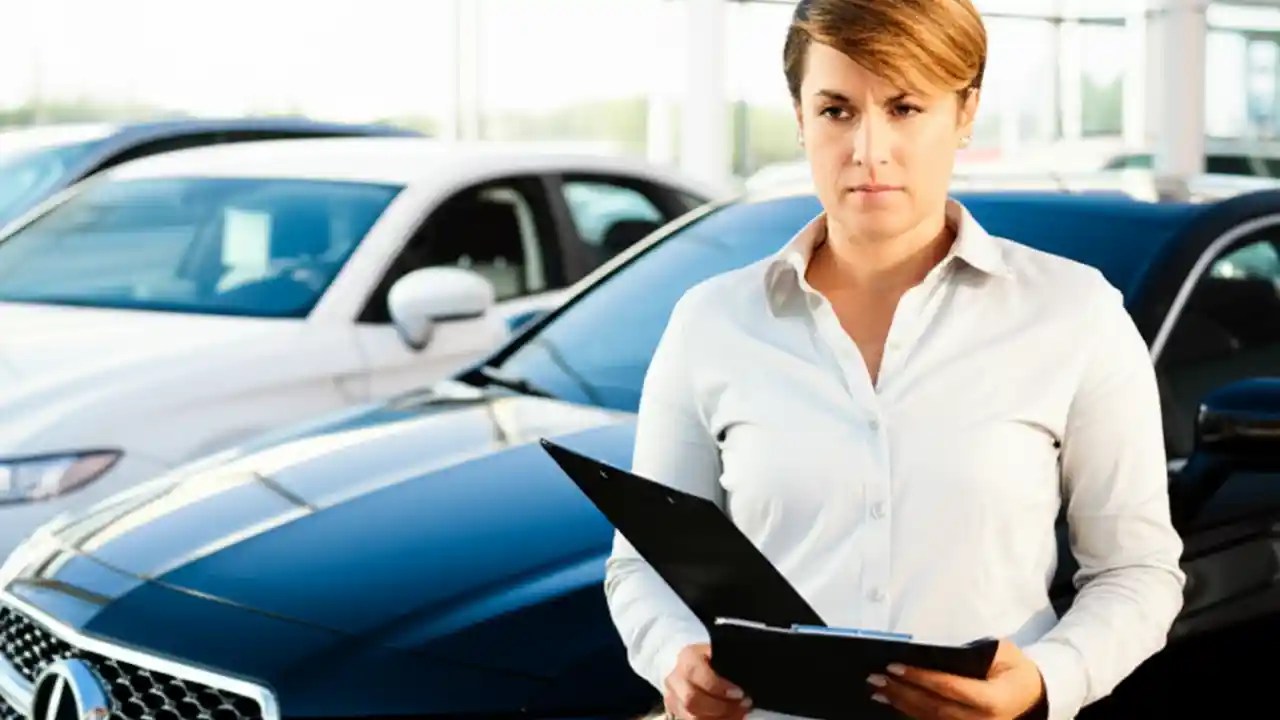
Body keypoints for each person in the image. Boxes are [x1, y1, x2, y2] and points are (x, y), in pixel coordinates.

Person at [602, 1, 1187, 720]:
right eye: (837, 110)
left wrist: (1043, 682)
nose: (869, 150)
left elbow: (1137, 572)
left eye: (906, 107)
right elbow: (642, 567)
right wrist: (674, 660)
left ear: (965, 111)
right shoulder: (711, 324)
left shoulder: (1075, 314)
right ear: (799, 117)